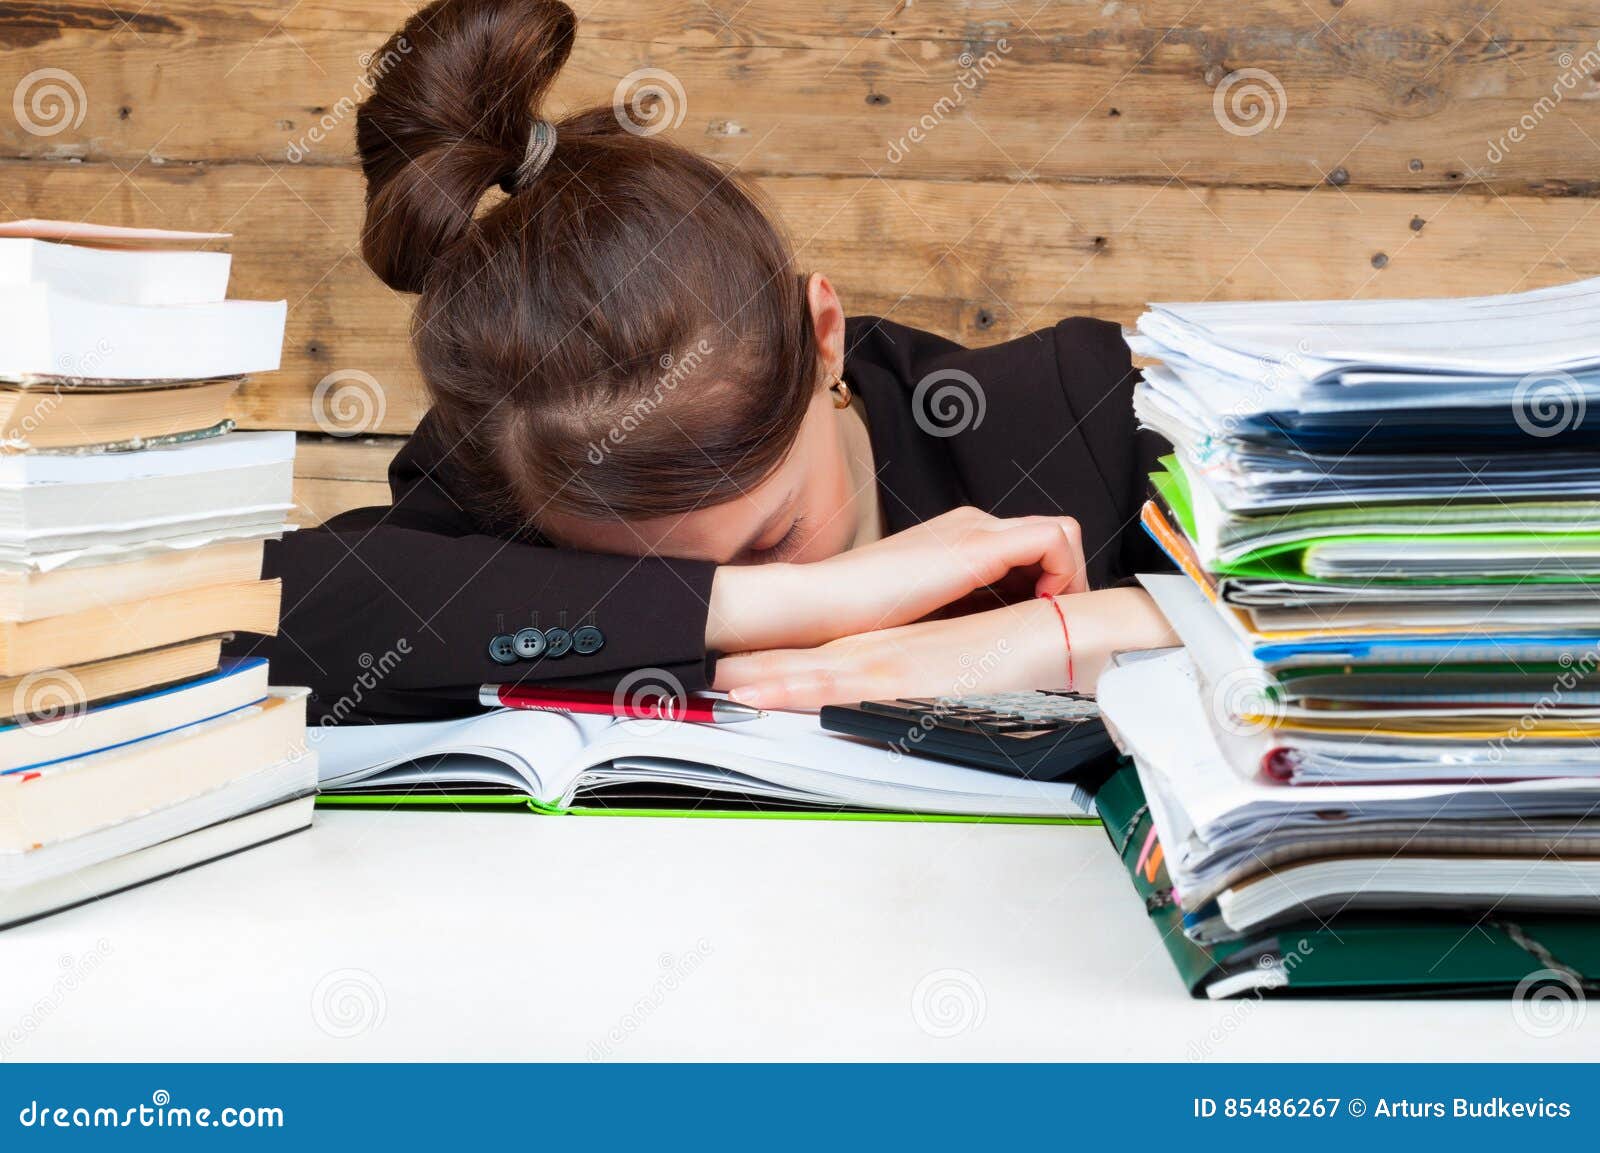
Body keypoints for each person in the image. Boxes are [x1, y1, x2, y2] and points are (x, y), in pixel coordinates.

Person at [231, 0, 1175, 724]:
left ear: (824, 336)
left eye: (773, 539)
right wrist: (795, 594)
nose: (765, 591)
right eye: (646, 576)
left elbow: (1317, 629)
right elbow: (243, 620)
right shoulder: (505, 467)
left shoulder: (1084, 418)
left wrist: (1084, 631)